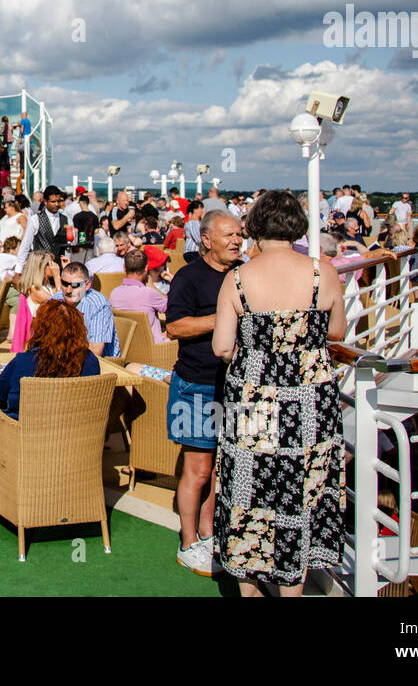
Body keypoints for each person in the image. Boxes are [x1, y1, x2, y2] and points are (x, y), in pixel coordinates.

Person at [211, 191, 347, 596]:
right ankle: (293, 587)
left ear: (255, 227)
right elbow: (336, 333)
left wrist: (257, 359)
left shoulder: (238, 278)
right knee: (302, 490)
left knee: (248, 491)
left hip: (255, 397)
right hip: (310, 397)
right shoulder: (324, 273)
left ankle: (249, 585)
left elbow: (221, 346)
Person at [165, 209, 243, 576]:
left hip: (234, 386)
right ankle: (187, 542)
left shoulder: (243, 274)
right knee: (197, 469)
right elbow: (175, 327)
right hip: (197, 383)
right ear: (206, 240)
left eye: (239, 234)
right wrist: (223, 318)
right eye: (228, 235)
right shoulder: (189, 277)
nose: (236, 240)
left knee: (218, 467)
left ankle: (209, 533)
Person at [0, 299, 101, 419]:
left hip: (24, 433)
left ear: (40, 328)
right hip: (76, 431)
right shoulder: (90, 360)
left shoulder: (23, 361)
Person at [49, 261, 120, 357]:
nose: (69, 290)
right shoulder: (55, 300)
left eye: (75, 285)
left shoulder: (98, 304)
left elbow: (96, 351)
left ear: (87, 285)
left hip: (100, 362)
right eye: (65, 284)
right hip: (63, 359)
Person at [108, 247, 169, 341]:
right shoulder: (149, 293)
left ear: (124, 268)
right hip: (154, 350)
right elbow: (173, 307)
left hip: (126, 347)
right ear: (146, 268)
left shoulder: (114, 294)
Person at [15, 185, 70, 266]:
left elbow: (69, 245)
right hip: (39, 267)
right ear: (45, 201)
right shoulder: (35, 219)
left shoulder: (66, 219)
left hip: (59, 267)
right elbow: (26, 245)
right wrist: (19, 269)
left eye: (58, 201)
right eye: (53, 202)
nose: (57, 204)